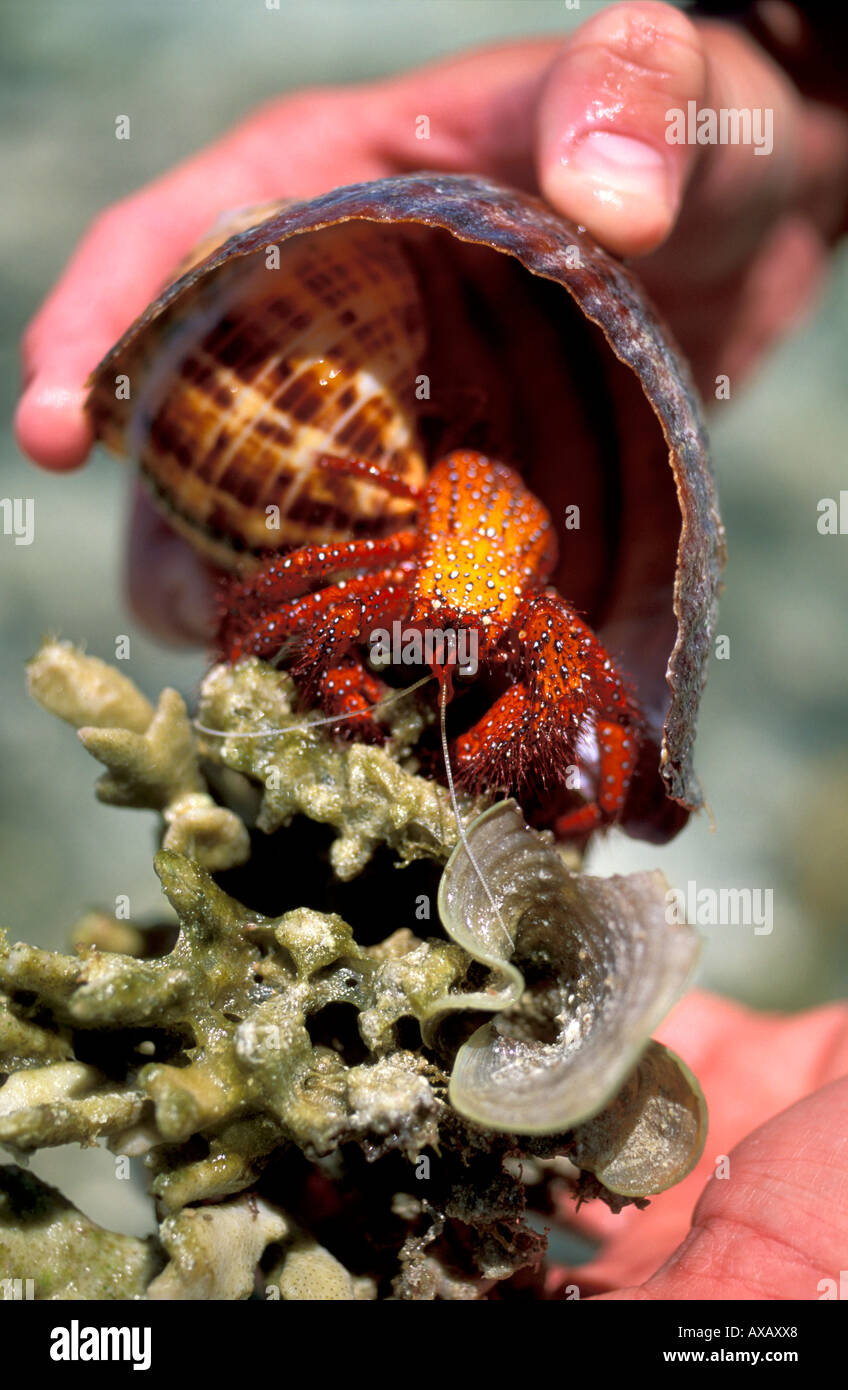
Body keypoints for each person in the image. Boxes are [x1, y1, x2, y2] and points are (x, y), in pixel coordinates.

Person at [14, 2, 848, 1299]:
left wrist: (798, 76)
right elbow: (279, 613)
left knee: (504, 628)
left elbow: (487, 565)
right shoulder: (386, 522)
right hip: (354, 492)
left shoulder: (476, 514)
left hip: (418, 486)